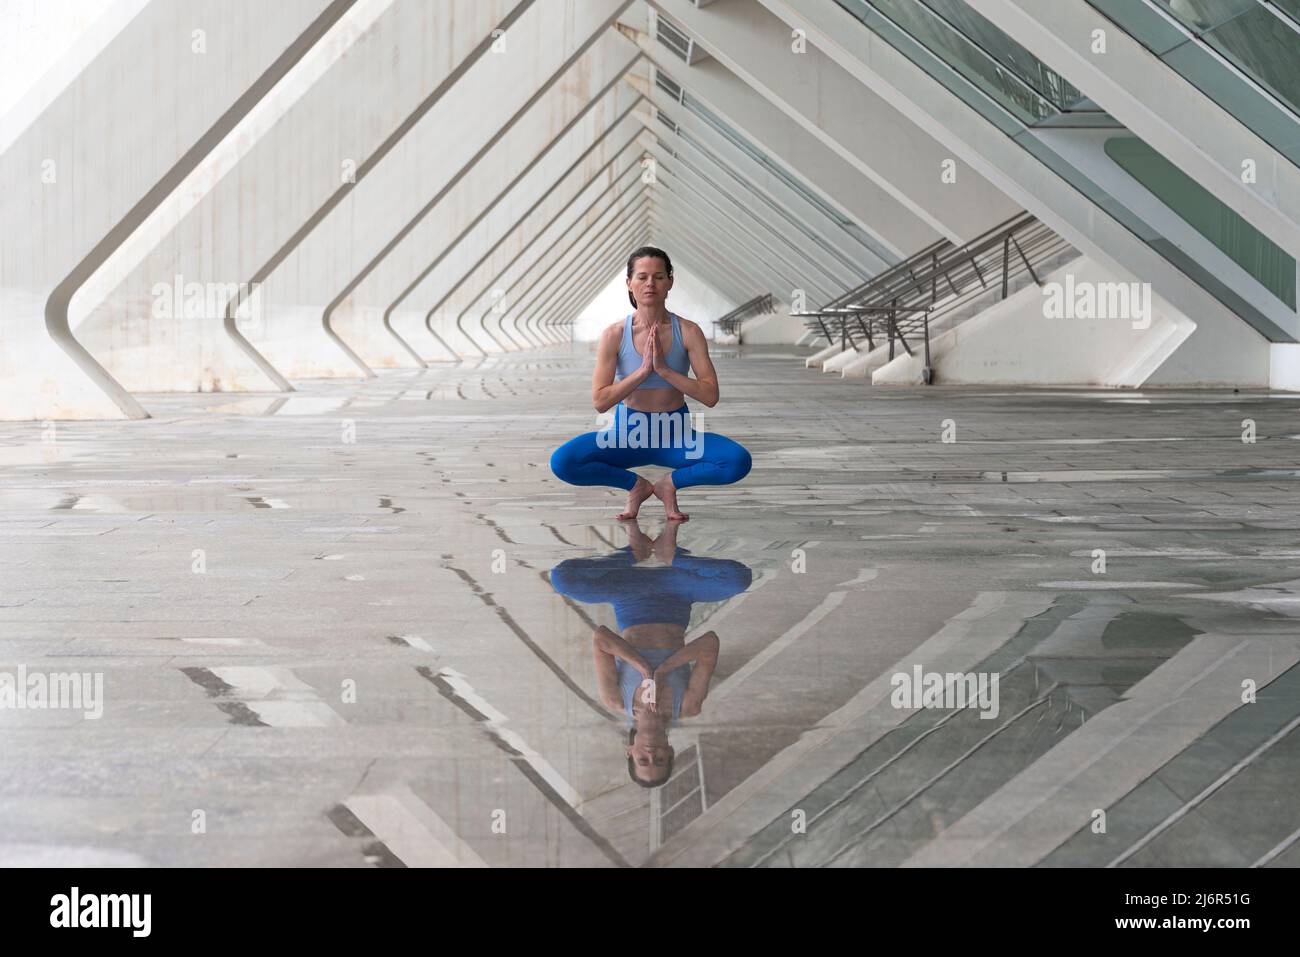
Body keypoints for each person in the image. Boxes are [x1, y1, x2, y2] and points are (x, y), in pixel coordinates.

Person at [549, 246, 752, 522]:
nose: (650, 284)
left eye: (658, 277)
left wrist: (666, 371)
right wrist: (642, 372)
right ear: (629, 284)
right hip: (626, 436)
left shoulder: (689, 332)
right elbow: (600, 401)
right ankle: (636, 486)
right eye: (642, 277)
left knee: (737, 461)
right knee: (563, 462)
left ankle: (669, 484)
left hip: (677, 436)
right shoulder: (614, 334)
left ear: (670, 281)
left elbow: (710, 395)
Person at [548, 519, 752, 788]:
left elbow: (601, 639)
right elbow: (709, 644)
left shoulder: (616, 700)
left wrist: (644, 669)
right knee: (739, 578)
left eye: (643, 760)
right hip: (677, 593)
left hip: (628, 593)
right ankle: (671, 554)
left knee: (562, 578)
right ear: (669, 753)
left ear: (630, 752)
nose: (651, 755)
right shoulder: (688, 706)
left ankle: (633, 552)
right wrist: (663, 671)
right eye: (660, 760)